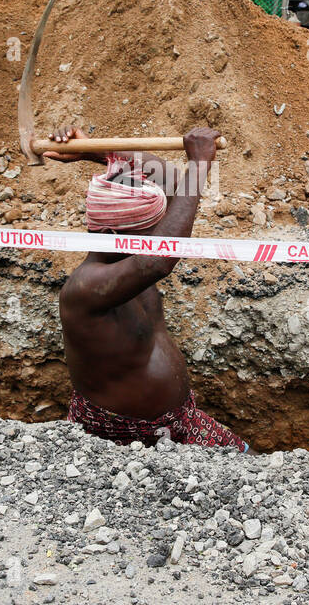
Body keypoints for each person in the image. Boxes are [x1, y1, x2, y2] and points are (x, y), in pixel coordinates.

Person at [42, 124, 249, 452]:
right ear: (123, 236)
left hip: (178, 422)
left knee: (248, 467)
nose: (164, 233)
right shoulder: (86, 288)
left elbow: (169, 179)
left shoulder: (121, 259)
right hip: (121, 438)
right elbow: (157, 260)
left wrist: (99, 150)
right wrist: (199, 166)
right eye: (156, 229)